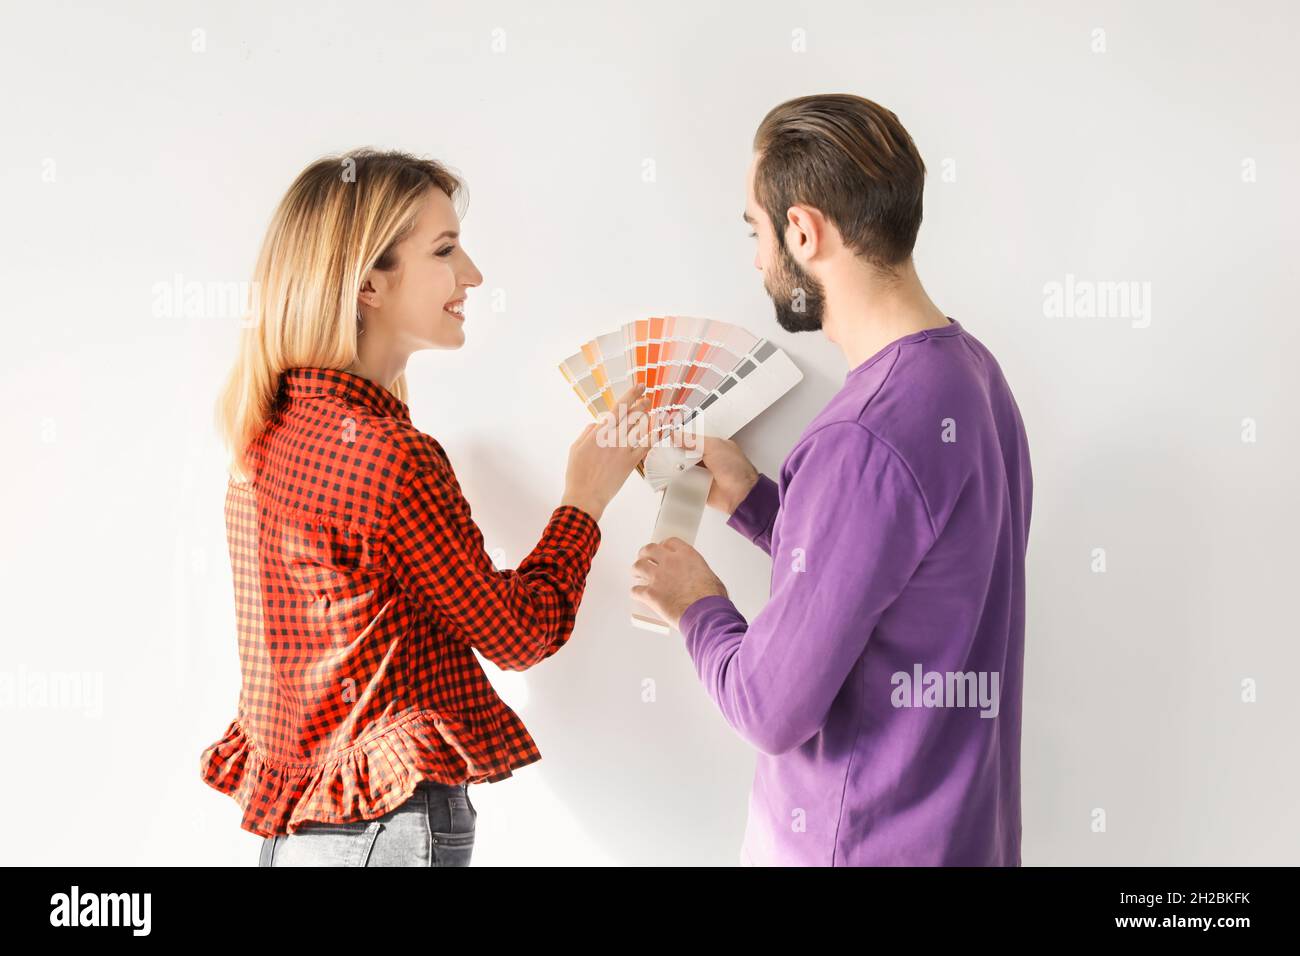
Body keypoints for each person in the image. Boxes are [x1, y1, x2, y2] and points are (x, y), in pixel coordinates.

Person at [200, 148, 650, 866]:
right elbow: (517, 633)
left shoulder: (262, 439)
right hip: (385, 833)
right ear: (368, 284)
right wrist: (584, 499)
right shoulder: (392, 458)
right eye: (445, 250)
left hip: (295, 842)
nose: (471, 274)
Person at [630, 94, 1034, 866]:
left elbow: (769, 707)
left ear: (803, 231)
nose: (755, 258)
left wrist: (695, 603)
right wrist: (754, 501)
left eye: (755, 230)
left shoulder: (859, 436)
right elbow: (904, 579)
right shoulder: (973, 377)